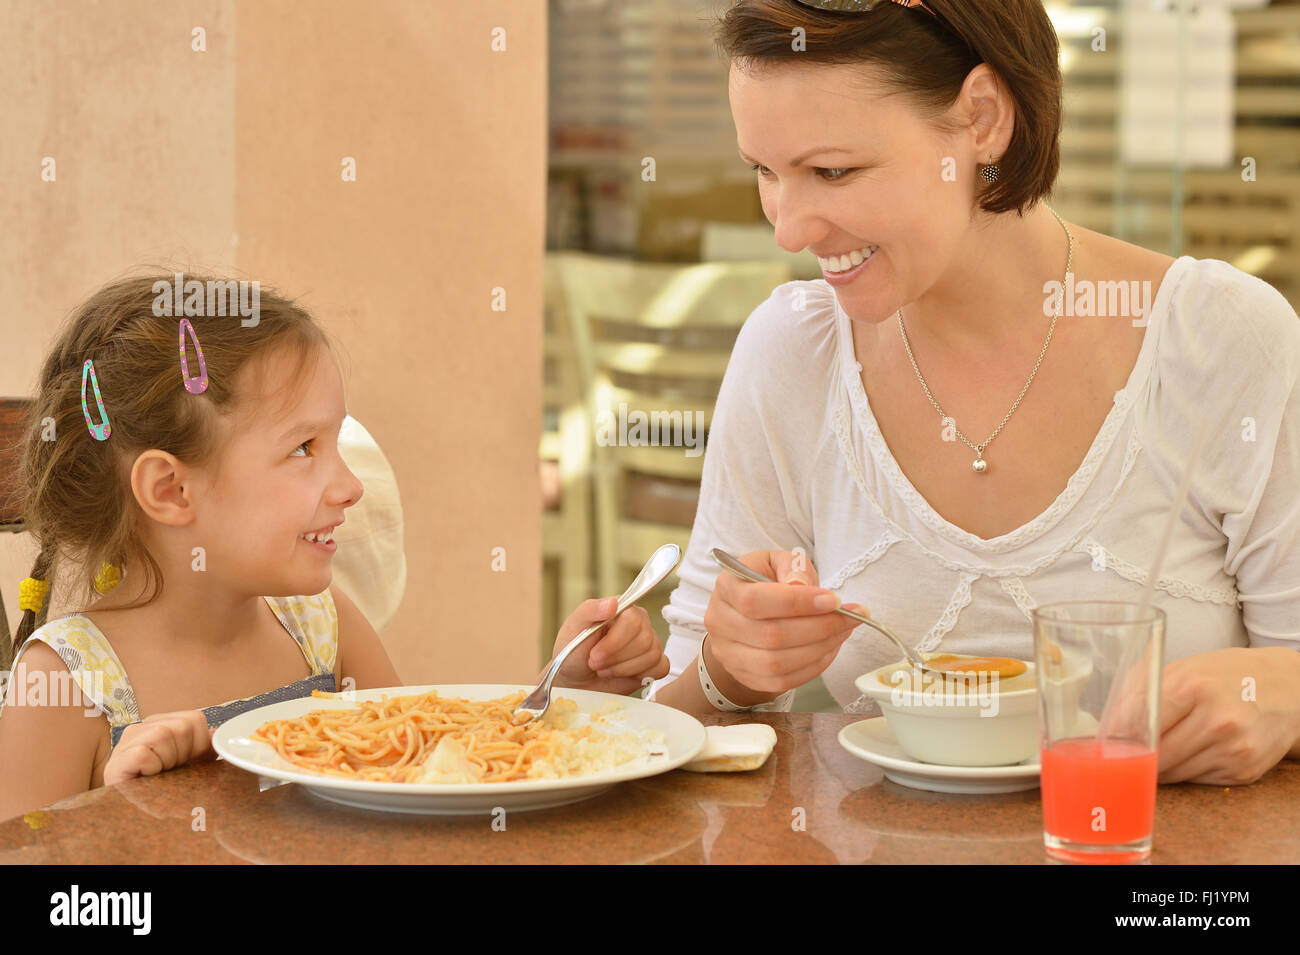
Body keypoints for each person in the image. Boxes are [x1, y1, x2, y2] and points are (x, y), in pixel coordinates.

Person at [649, 0, 1300, 785]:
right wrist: (732, 669)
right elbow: (671, 723)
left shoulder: (1222, 340)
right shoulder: (793, 349)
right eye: (764, 170)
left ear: (982, 121)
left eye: (832, 171)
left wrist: (1282, 695)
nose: (787, 229)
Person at [0, 272, 667, 822]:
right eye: (303, 449)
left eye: (336, 443)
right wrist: (117, 818)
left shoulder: (323, 628)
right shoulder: (69, 685)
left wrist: (569, 693)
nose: (350, 486)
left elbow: (436, 781)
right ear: (171, 488)